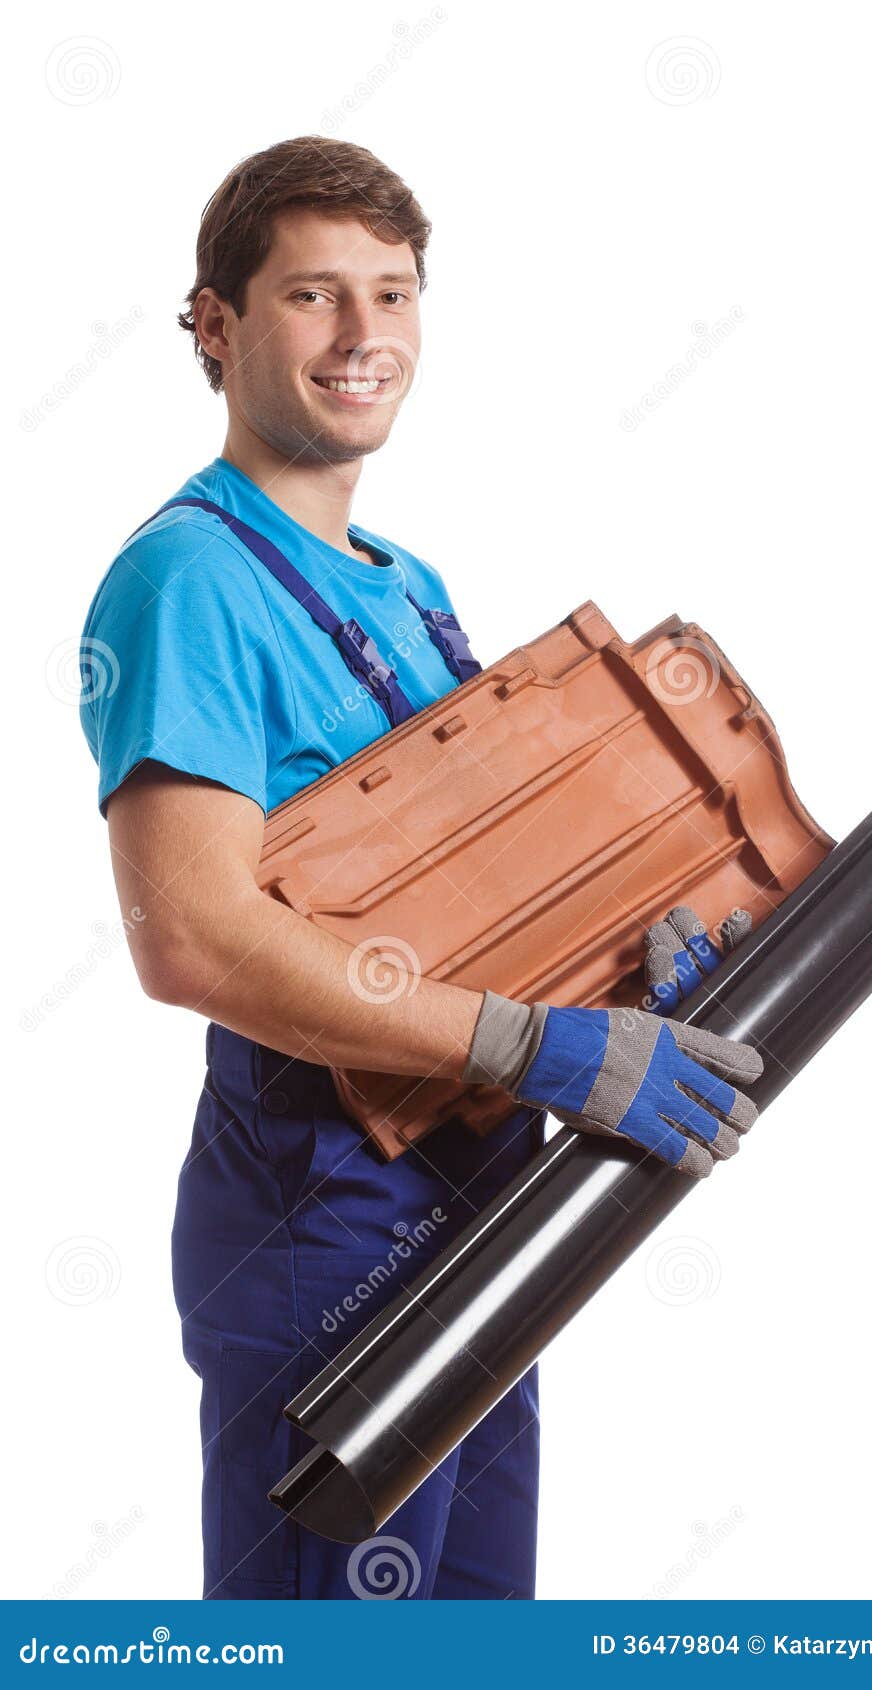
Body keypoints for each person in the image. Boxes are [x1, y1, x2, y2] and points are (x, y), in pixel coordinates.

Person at [78, 136, 762, 1601]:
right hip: (322, 1224)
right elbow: (190, 936)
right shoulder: (189, 577)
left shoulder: (407, 583)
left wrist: (620, 965)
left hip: (486, 1198)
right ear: (214, 325)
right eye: (314, 296)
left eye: (392, 295)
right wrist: (538, 1042)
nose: (363, 336)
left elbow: (461, 889)